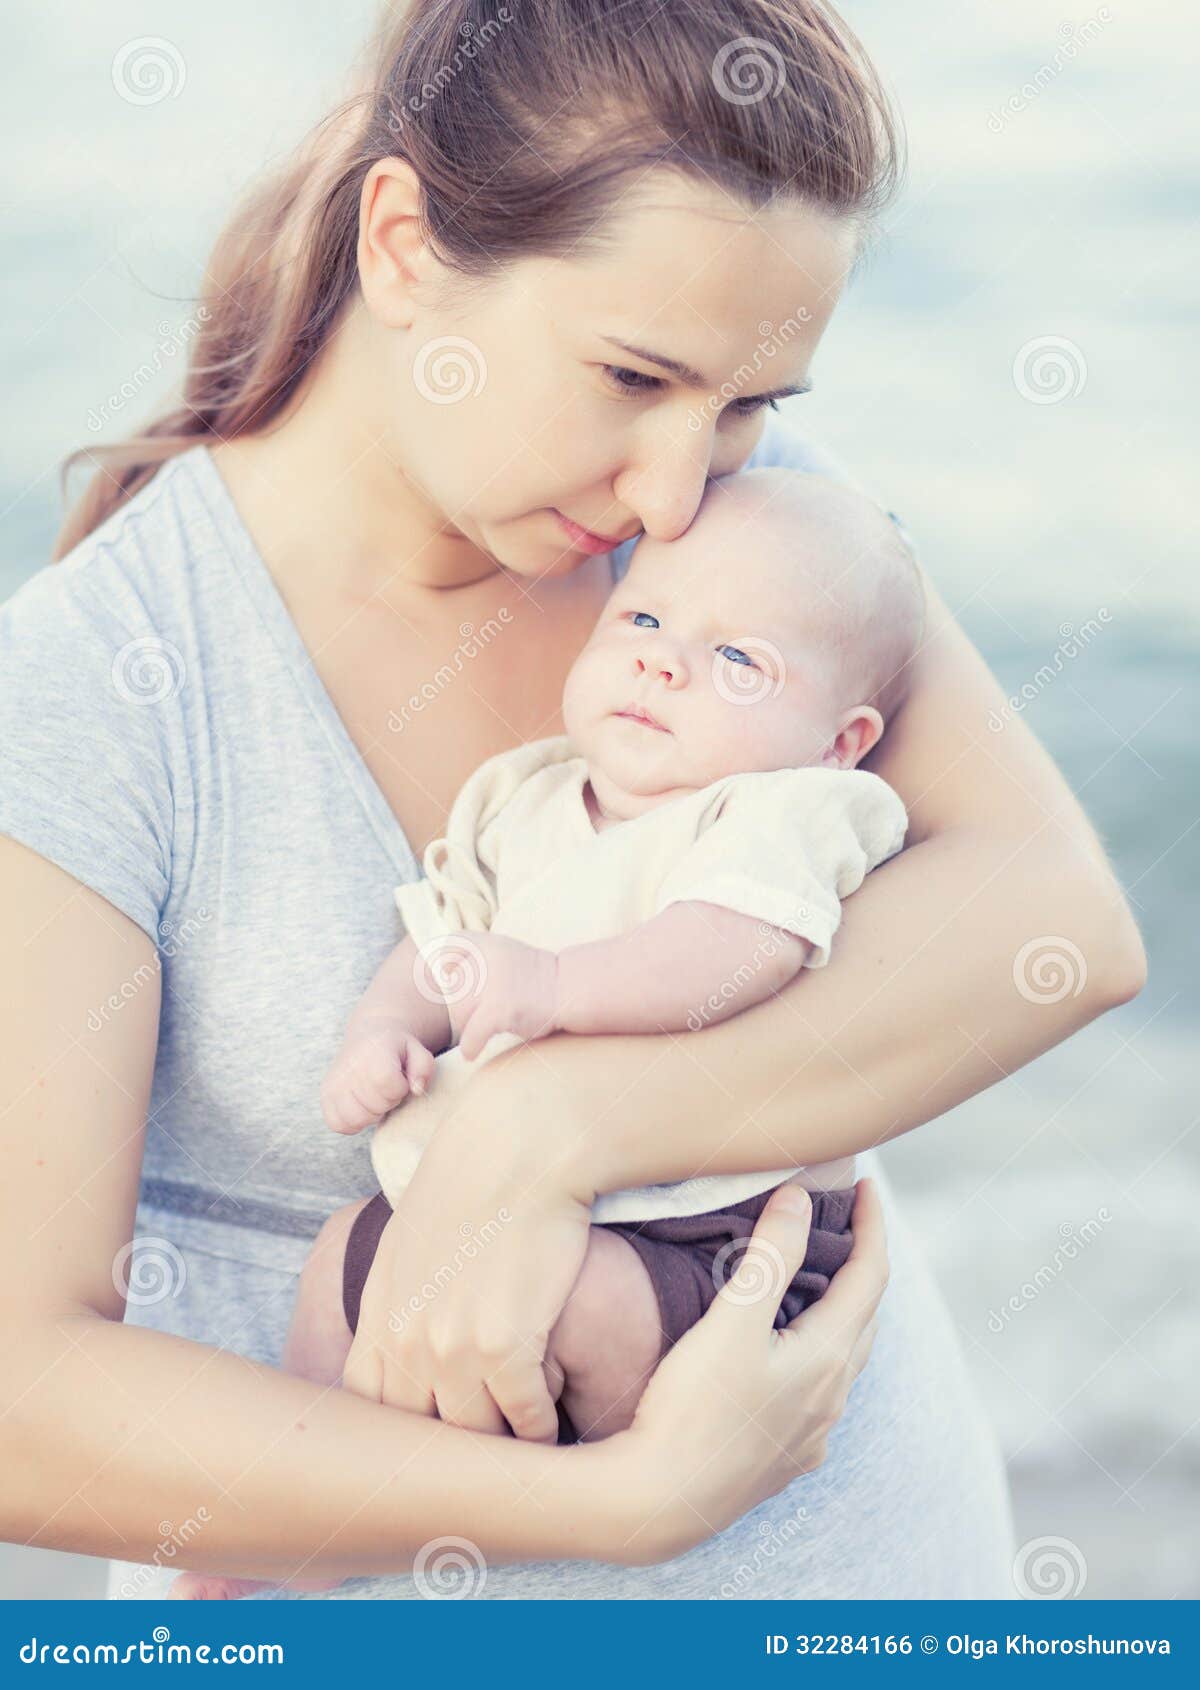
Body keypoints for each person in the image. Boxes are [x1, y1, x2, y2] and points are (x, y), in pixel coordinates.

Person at [0, 0, 1143, 1600]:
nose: (677, 489)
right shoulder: (101, 682)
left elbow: (1056, 926)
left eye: (749, 404)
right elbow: (23, 1402)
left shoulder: (755, 533)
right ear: (404, 247)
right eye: (631, 375)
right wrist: (614, 1503)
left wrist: (544, 1125)